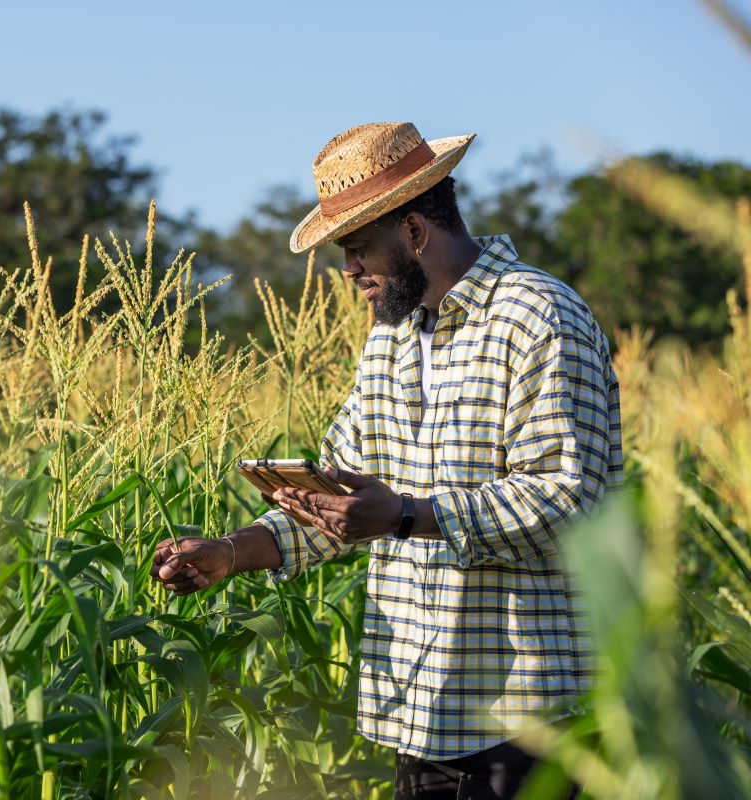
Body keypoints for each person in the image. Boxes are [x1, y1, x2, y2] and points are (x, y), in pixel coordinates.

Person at [151, 122, 622, 799]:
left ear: (413, 232)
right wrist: (231, 552)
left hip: (527, 721)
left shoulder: (540, 317)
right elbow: (341, 497)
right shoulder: (392, 342)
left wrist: (405, 516)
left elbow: (568, 500)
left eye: (357, 247)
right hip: (420, 715)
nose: (348, 271)